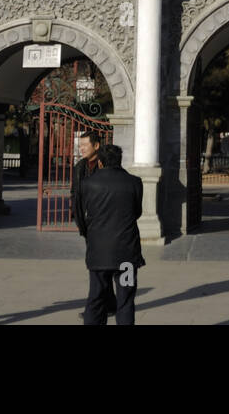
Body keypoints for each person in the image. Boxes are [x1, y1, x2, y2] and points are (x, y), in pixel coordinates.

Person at [76, 143, 145, 325]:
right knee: (125, 299)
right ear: (120, 161)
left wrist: (89, 235)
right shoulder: (135, 182)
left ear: (100, 162)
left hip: (99, 252)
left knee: (96, 298)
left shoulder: (87, 184)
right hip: (126, 254)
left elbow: (81, 216)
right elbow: (137, 212)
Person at [71, 130, 102, 234]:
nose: (81, 149)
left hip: (102, 220)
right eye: (80, 146)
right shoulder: (79, 167)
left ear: (96, 145)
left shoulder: (105, 166)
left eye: (84, 145)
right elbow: (74, 192)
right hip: (85, 220)